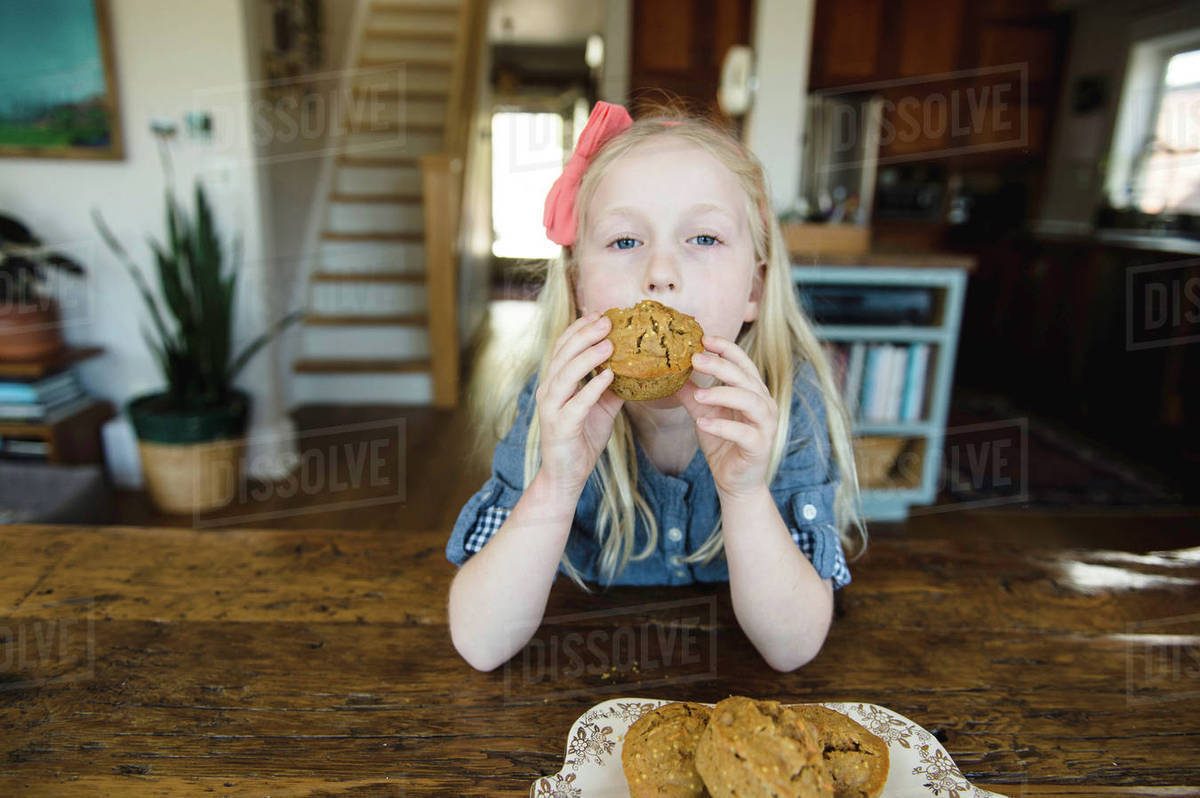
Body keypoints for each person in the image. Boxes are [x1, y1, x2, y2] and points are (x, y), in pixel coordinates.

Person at [446, 101, 866, 673]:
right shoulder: (556, 406)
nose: (661, 271)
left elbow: (791, 650)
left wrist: (744, 492)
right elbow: (480, 642)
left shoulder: (790, 401)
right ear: (578, 293)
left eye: (704, 238)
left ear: (754, 288)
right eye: (624, 242)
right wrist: (557, 480)